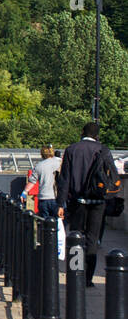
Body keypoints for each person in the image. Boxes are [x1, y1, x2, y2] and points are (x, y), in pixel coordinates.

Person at [56, 122, 119, 287]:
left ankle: (75, 273)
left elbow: (64, 180)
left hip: (77, 202)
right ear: (97, 135)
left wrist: (61, 204)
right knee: (92, 239)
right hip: (98, 202)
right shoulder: (103, 150)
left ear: (82, 132)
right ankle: (88, 279)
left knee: (76, 236)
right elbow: (112, 175)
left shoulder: (72, 150)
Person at [32, 145, 62, 221]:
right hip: (56, 197)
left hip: (43, 198)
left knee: (44, 224)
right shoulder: (59, 163)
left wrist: (24, 193)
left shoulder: (39, 165)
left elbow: (32, 181)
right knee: (58, 223)